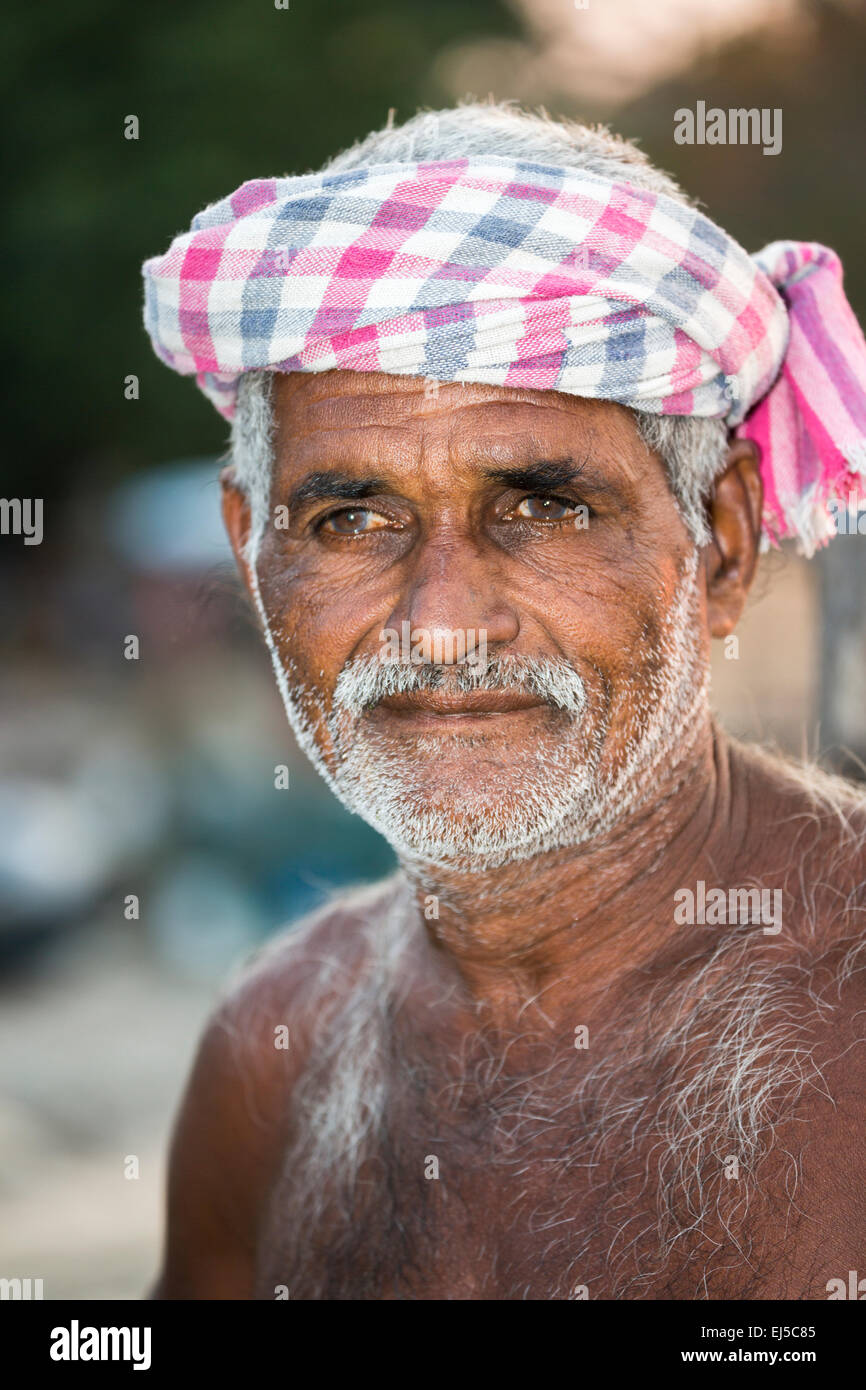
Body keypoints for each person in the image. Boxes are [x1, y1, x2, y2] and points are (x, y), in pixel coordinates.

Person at [142, 102, 866, 1300]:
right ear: (247, 550)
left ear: (722, 544)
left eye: (542, 508)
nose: (439, 621)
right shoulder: (268, 1055)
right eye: (351, 520)